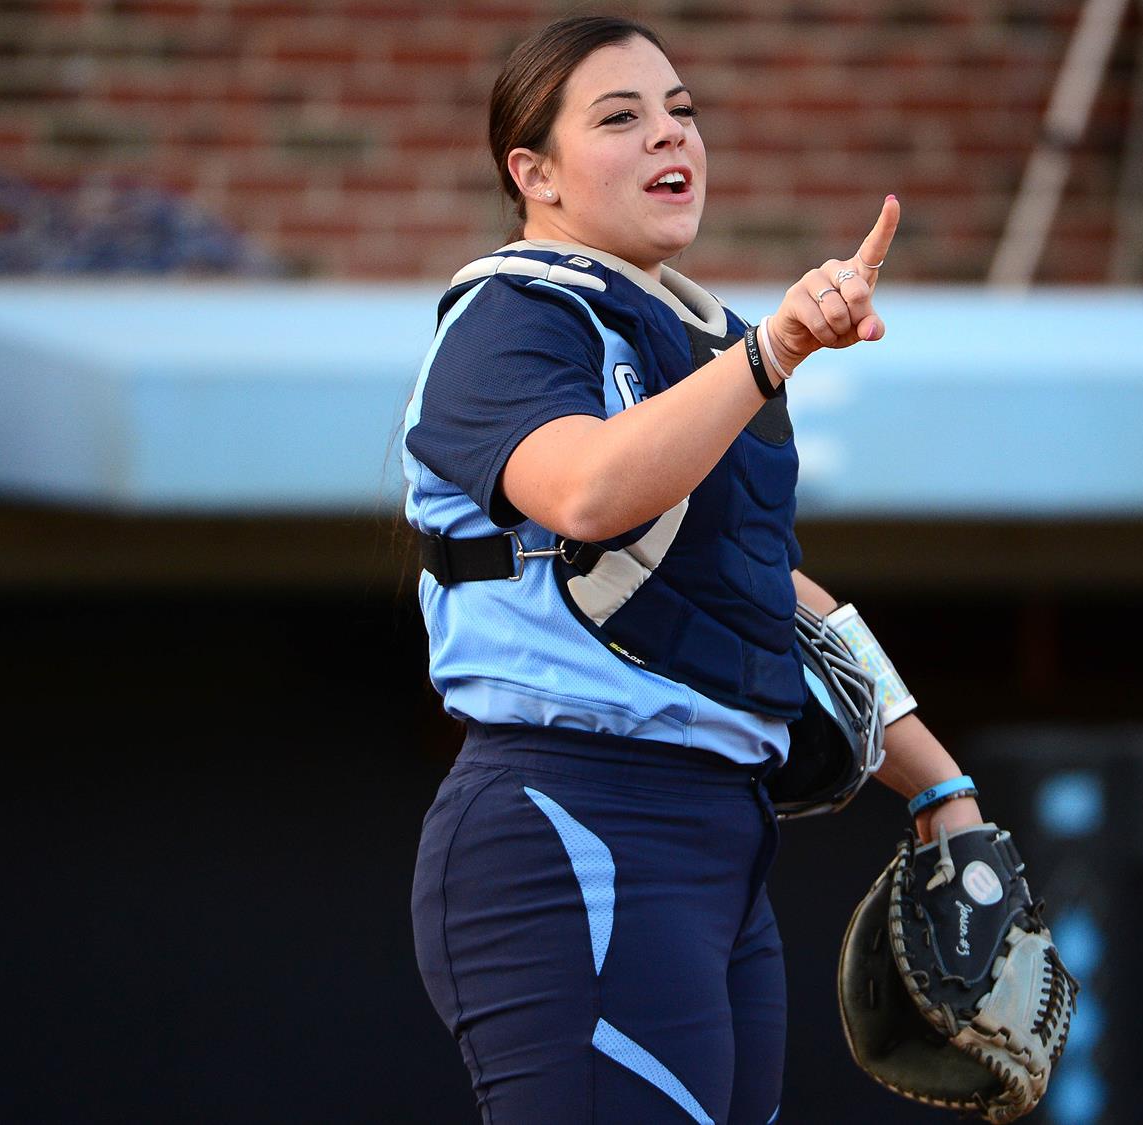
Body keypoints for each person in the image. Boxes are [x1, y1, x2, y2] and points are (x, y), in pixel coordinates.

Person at [401, 15, 986, 1123]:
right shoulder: (508, 314)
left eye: (681, 111)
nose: (669, 136)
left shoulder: (703, 337)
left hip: (717, 837)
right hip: (568, 811)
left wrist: (940, 790)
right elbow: (583, 494)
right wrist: (775, 351)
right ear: (536, 174)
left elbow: (767, 596)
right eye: (619, 118)